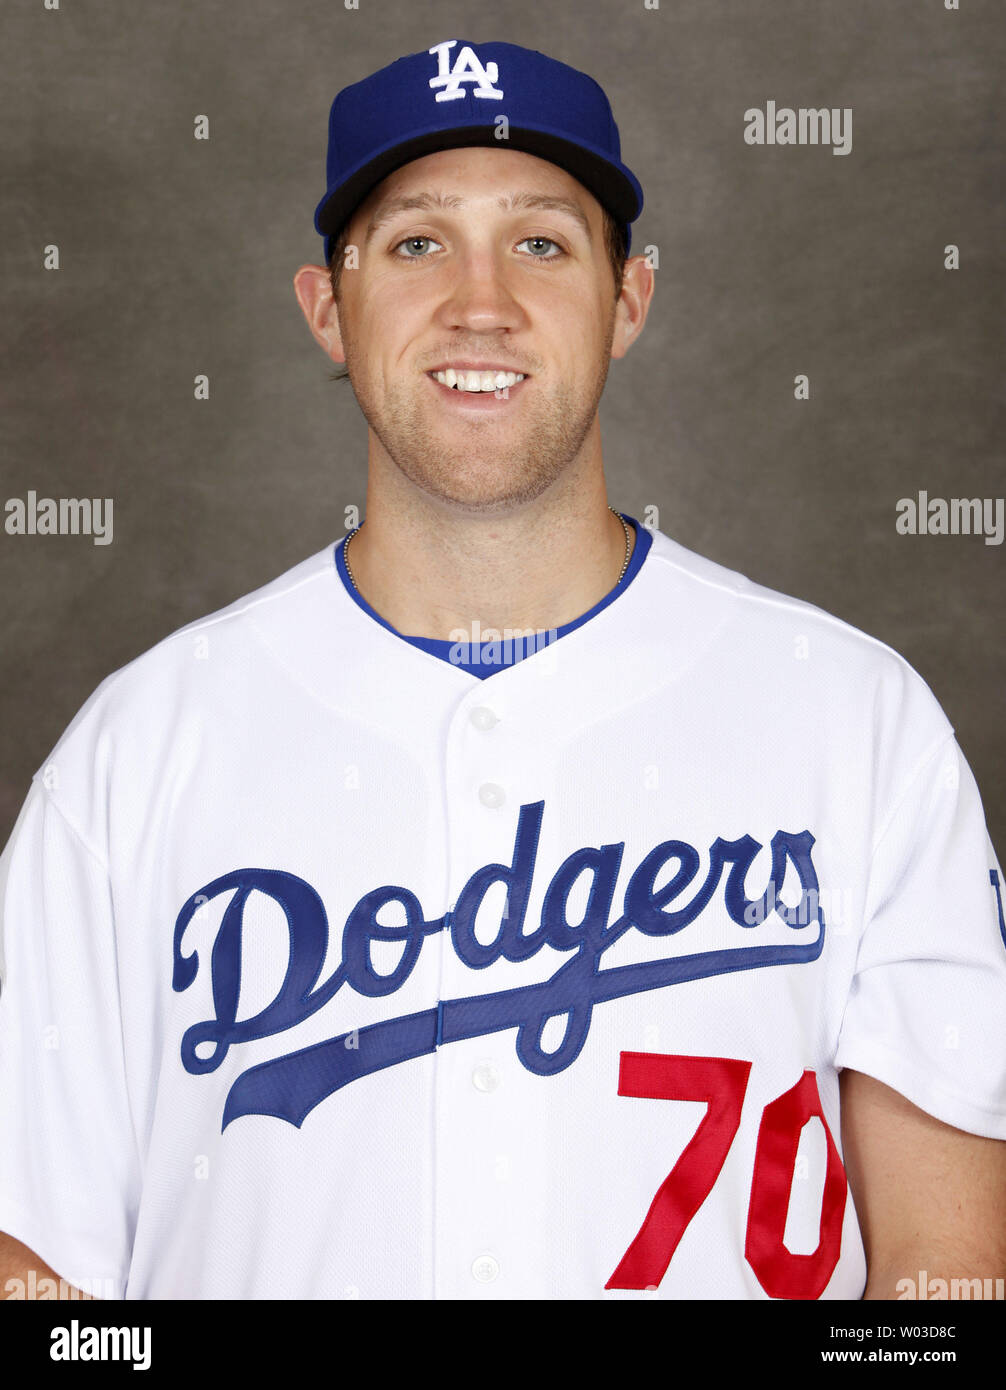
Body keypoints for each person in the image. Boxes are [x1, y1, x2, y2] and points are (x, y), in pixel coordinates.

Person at [0, 37, 1003, 1302]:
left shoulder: (857, 721)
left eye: (541, 241)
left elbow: (949, 1277)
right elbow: (35, 1271)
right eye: (418, 243)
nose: (482, 304)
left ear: (628, 300)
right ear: (327, 304)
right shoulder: (133, 753)